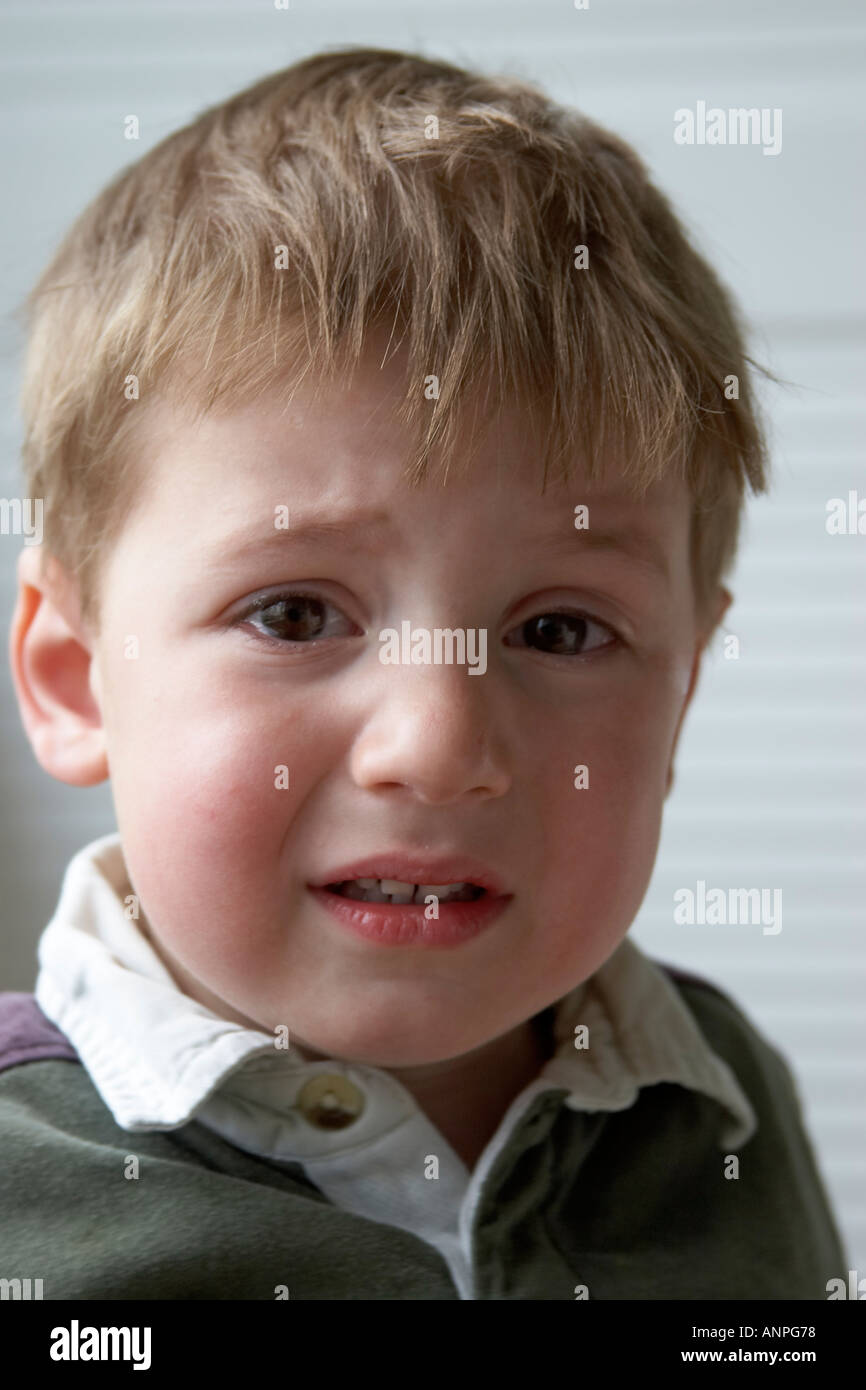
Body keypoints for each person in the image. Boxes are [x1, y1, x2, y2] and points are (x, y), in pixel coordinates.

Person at [0, 46, 846, 1299]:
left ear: (676, 699)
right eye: (294, 612)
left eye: (558, 630)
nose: (438, 743)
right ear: (75, 679)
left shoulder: (722, 1103)